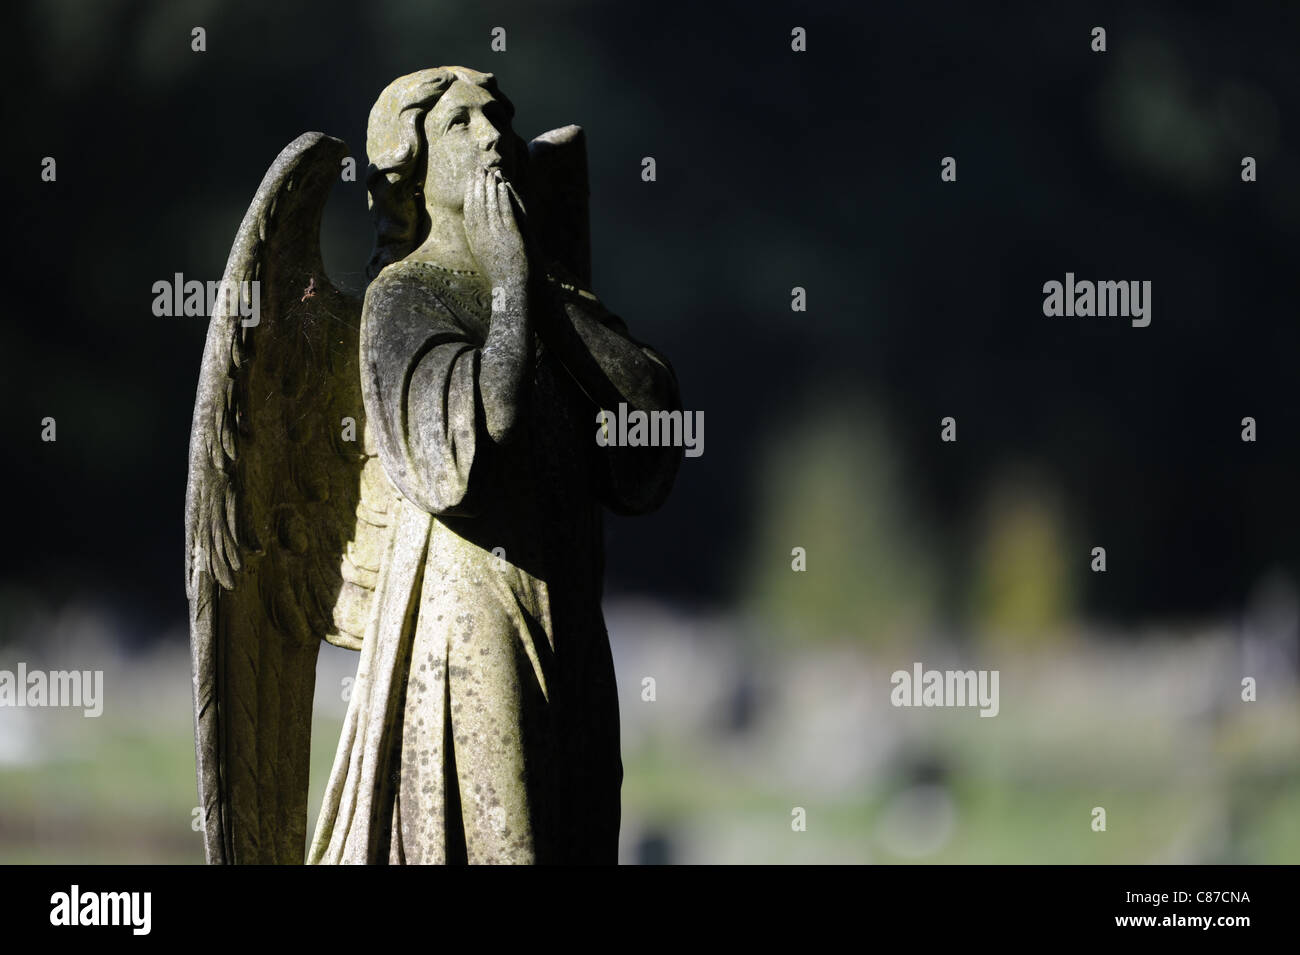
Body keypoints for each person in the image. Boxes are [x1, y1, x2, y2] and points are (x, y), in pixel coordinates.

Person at [308, 67, 682, 864]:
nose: (492, 138)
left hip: (570, 612)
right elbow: (466, 454)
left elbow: (653, 438)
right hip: (468, 623)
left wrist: (539, 292)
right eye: (459, 125)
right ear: (408, 169)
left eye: (498, 120)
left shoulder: (555, 298)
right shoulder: (406, 298)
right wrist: (512, 286)